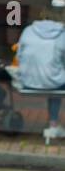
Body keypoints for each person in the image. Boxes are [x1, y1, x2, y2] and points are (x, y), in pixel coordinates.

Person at [16, 8, 65, 141]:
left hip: (28, 81)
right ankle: (52, 125)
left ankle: (53, 125)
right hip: (53, 82)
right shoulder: (62, 33)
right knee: (55, 82)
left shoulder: (28, 30)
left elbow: (19, 55)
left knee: (53, 78)